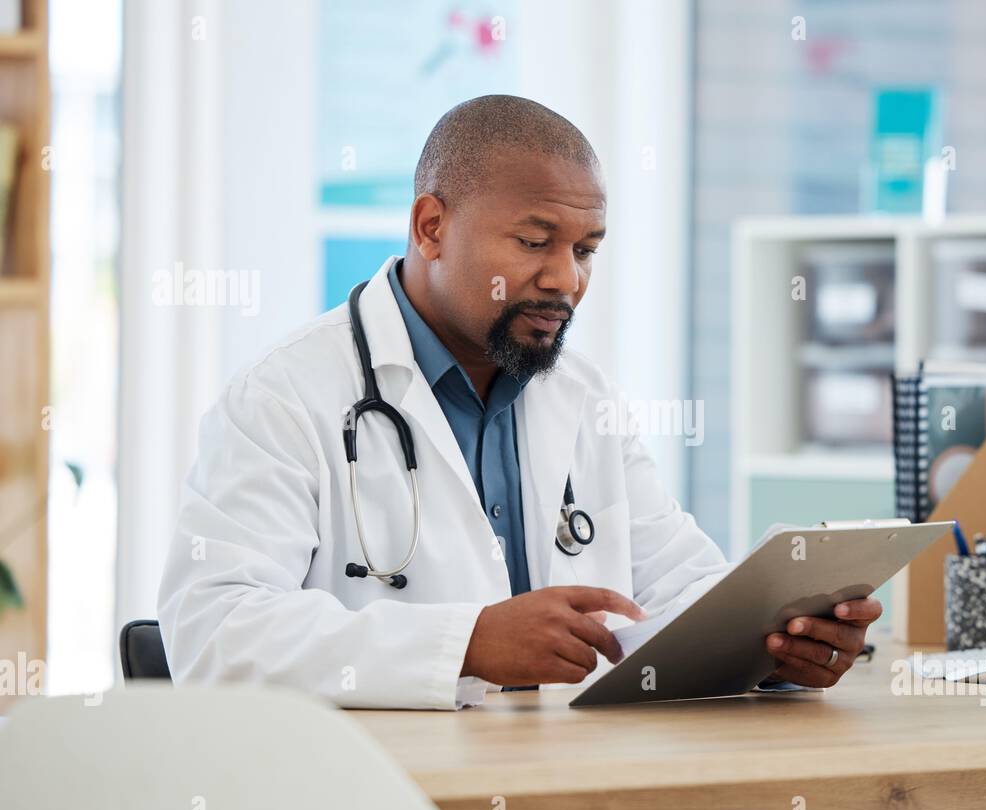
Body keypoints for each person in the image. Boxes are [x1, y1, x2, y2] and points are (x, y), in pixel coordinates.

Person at [157, 95, 882, 709]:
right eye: (536, 241)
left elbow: (679, 581)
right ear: (431, 227)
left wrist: (776, 642)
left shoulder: (583, 396)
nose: (566, 279)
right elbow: (214, 630)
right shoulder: (284, 397)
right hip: (378, 804)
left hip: (566, 791)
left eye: (587, 249)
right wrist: (467, 642)